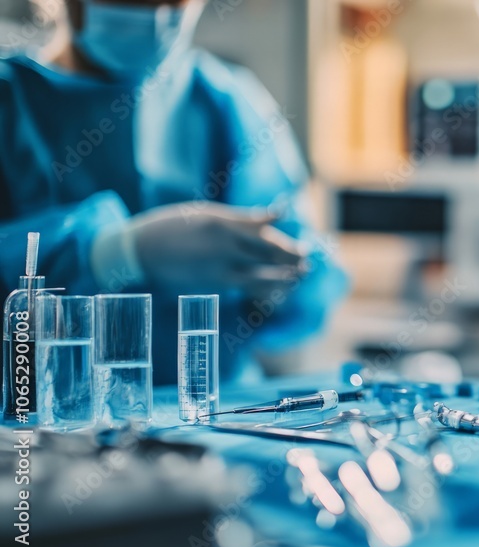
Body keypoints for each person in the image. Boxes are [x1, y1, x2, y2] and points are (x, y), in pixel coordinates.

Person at [0, 0, 348, 384]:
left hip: (217, 408)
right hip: (51, 411)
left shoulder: (224, 98)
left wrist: (276, 281)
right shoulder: (9, 100)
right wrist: (111, 253)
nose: (157, 12)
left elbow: (309, 272)